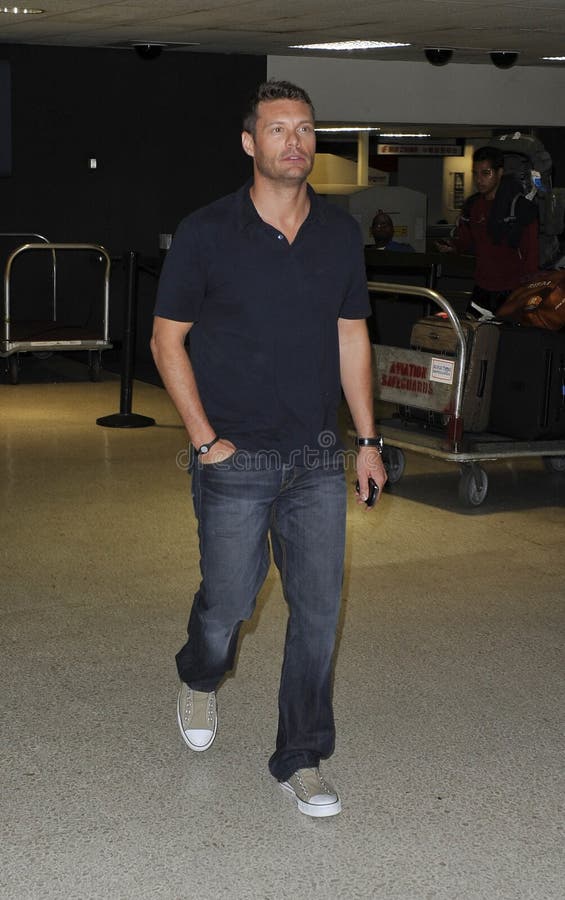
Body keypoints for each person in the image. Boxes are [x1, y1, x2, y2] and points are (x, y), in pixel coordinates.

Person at [150, 79, 387, 818]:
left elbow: (352, 336)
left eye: (306, 128)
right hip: (234, 458)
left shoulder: (338, 235)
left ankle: (301, 757)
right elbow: (167, 340)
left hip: (317, 457)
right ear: (250, 143)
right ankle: (198, 675)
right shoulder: (206, 231)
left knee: (317, 613)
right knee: (225, 607)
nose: (296, 140)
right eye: (279, 129)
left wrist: (368, 441)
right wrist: (205, 442)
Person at [437, 146, 539, 314]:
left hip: (512, 289)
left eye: (486, 173)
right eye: (475, 173)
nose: (479, 179)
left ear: (499, 173)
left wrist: (529, 290)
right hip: (482, 286)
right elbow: (466, 240)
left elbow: (531, 254)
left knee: (508, 338)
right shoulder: (473, 206)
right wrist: (453, 246)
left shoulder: (521, 208)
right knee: (475, 336)